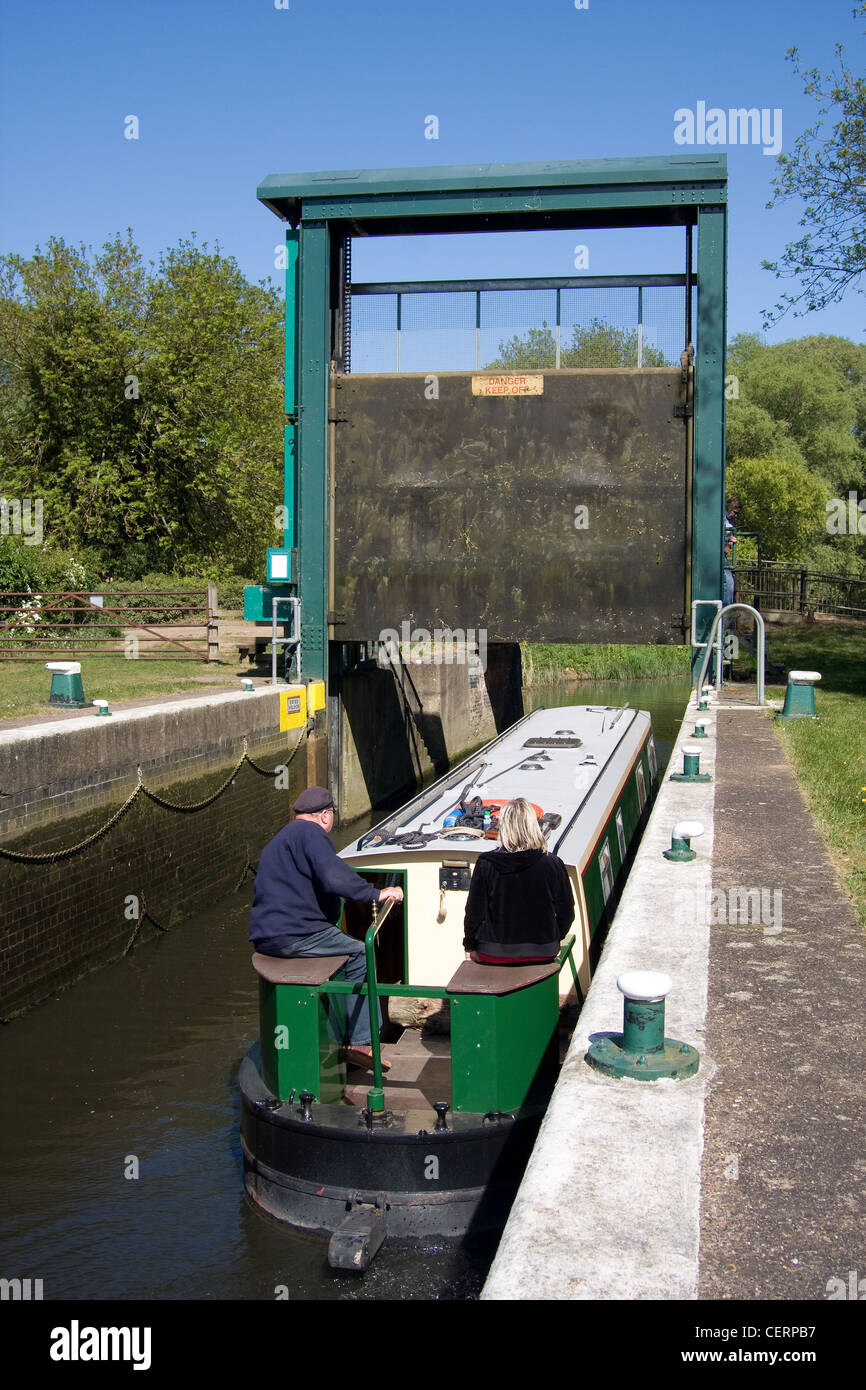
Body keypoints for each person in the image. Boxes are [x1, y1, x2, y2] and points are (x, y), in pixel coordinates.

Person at [249, 786, 403, 1071]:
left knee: (340, 950)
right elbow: (333, 877)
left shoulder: (280, 839)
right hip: (296, 934)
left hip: (266, 936)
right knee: (359, 951)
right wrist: (377, 894)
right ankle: (360, 1042)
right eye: (332, 814)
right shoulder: (312, 835)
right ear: (324, 815)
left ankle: (332, 1031)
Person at [462, 798, 574, 964]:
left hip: (493, 951)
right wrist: (555, 938)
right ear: (533, 825)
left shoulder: (486, 863)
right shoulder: (553, 863)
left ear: (504, 827)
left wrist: (469, 945)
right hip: (543, 949)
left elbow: (474, 912)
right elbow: (566, 912)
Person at [724, 495, 742, 606]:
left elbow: (730, 537)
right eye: (735, 512)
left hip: (723, 554)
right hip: (715, 553)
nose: (736, 515)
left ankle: (726, 612)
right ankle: (726, 611)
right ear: (729, 508)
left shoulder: (731, 521)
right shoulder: (719, 517)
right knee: (728, 582)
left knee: (729, 582)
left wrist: (730, 544)